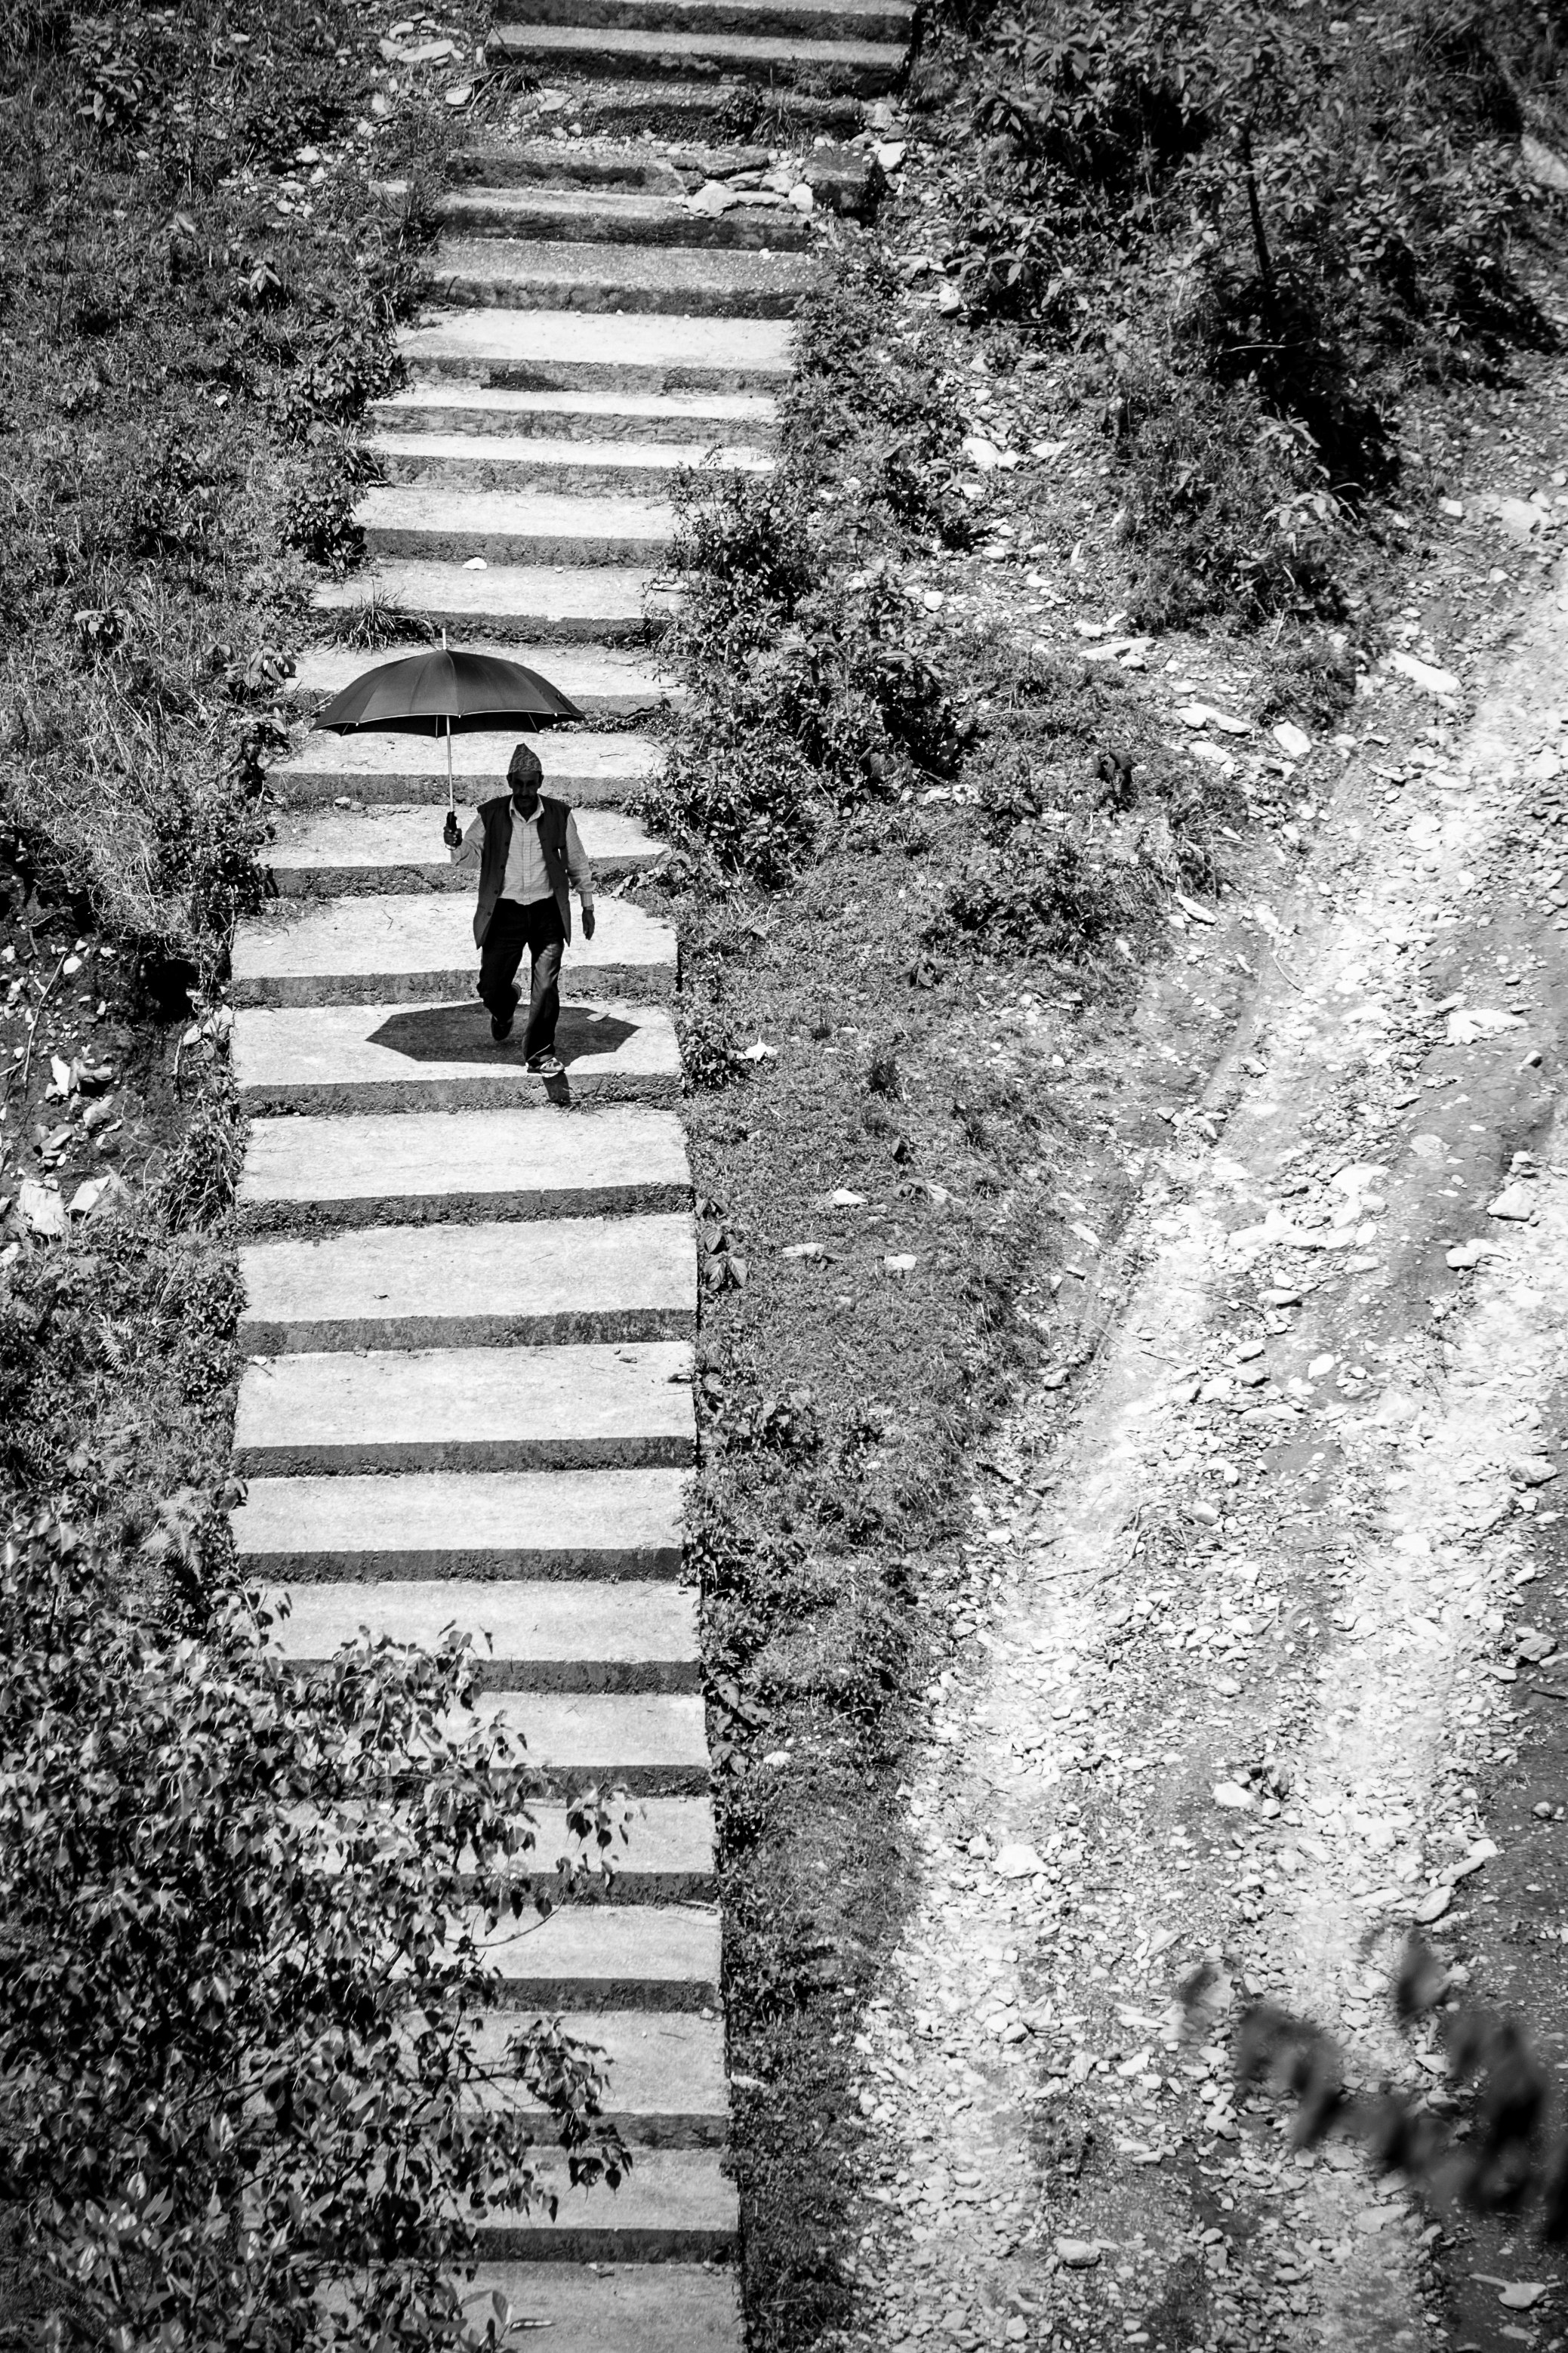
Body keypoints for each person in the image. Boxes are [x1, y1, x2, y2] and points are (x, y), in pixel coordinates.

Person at [448, 742, 596, 1076]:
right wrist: (456, 844)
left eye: (531, 783)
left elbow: (577, 862)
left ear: (541, 782)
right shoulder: (491, 815)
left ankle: (541, 1054)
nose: (525, 791)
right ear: (509, 782)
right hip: (505, 913)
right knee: (490, 986)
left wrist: (587, 905)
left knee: (546, 985)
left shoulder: (560, 815)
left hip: (547, 913)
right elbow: (470, 858)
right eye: (519, 783)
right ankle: (504, 1007)